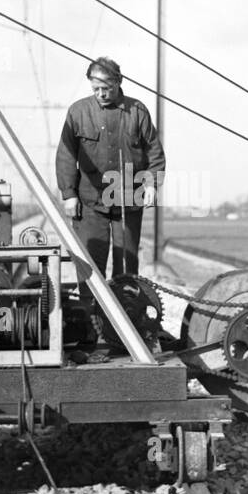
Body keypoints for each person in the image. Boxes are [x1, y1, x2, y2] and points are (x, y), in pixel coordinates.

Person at [55, 57, 166, 341]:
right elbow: (66, 156)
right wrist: (69, 194)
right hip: (90, 202)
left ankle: (126, 332)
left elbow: (154, 153)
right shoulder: (78, 112)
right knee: (90, 266)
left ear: (118, 83)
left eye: (106, 88)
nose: (101, 94)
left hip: (129, 201)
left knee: (126, 266)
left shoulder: (137, 111)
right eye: (95, 89)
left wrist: (152, 184)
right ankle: (91, 332)